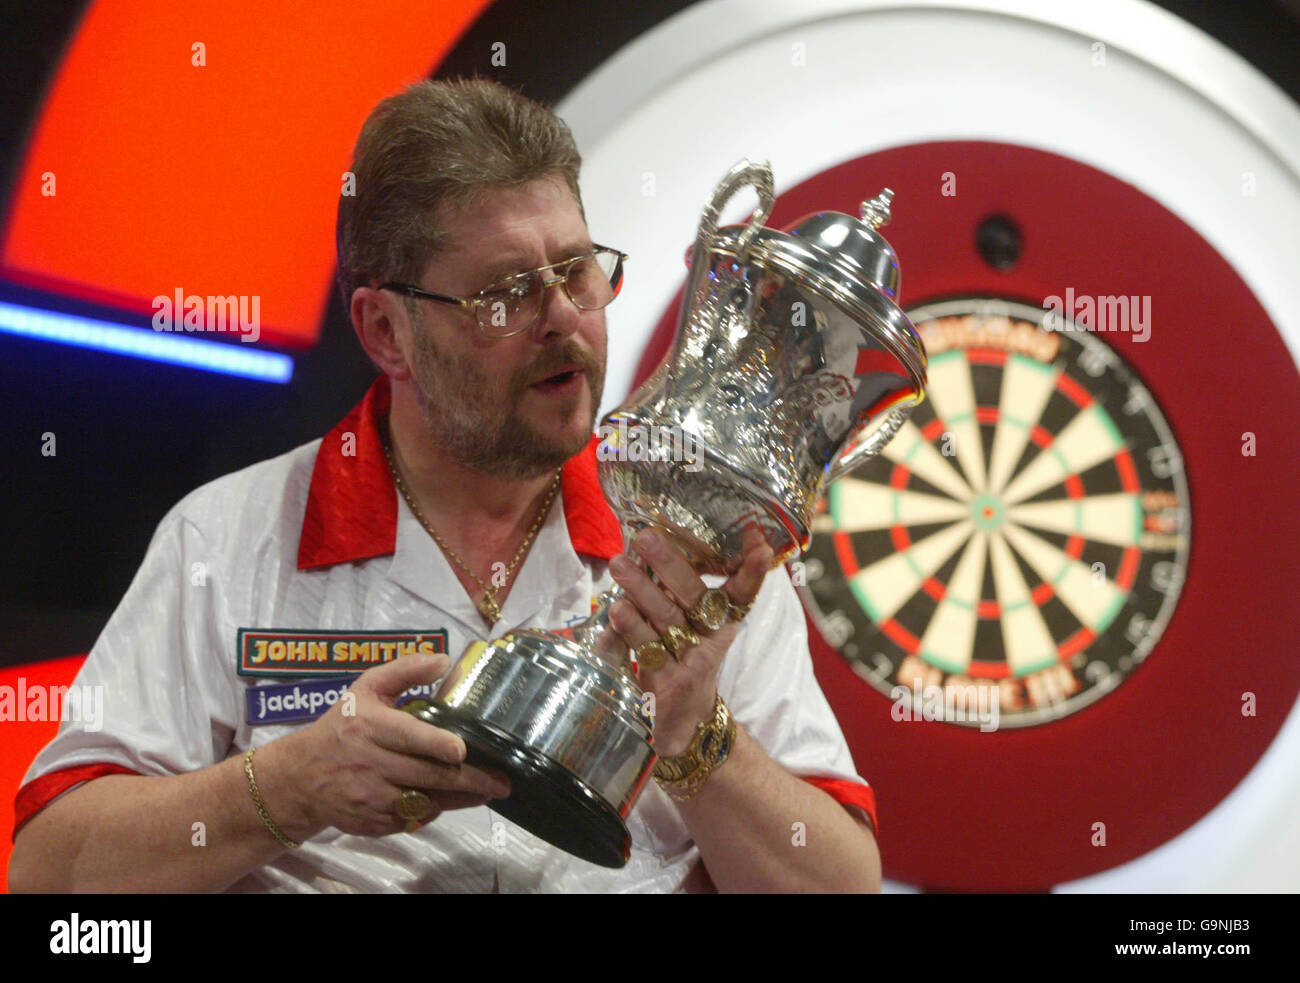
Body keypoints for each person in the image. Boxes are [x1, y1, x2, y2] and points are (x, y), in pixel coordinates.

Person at [9, 79, 882, 893]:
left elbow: (842, 880)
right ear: (386, 330)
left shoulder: (696, 545)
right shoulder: (232, 537)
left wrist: (699, 741)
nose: (563, 320)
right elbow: (52, 871)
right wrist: (285, 785)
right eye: (505, 294)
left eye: (576, 270)